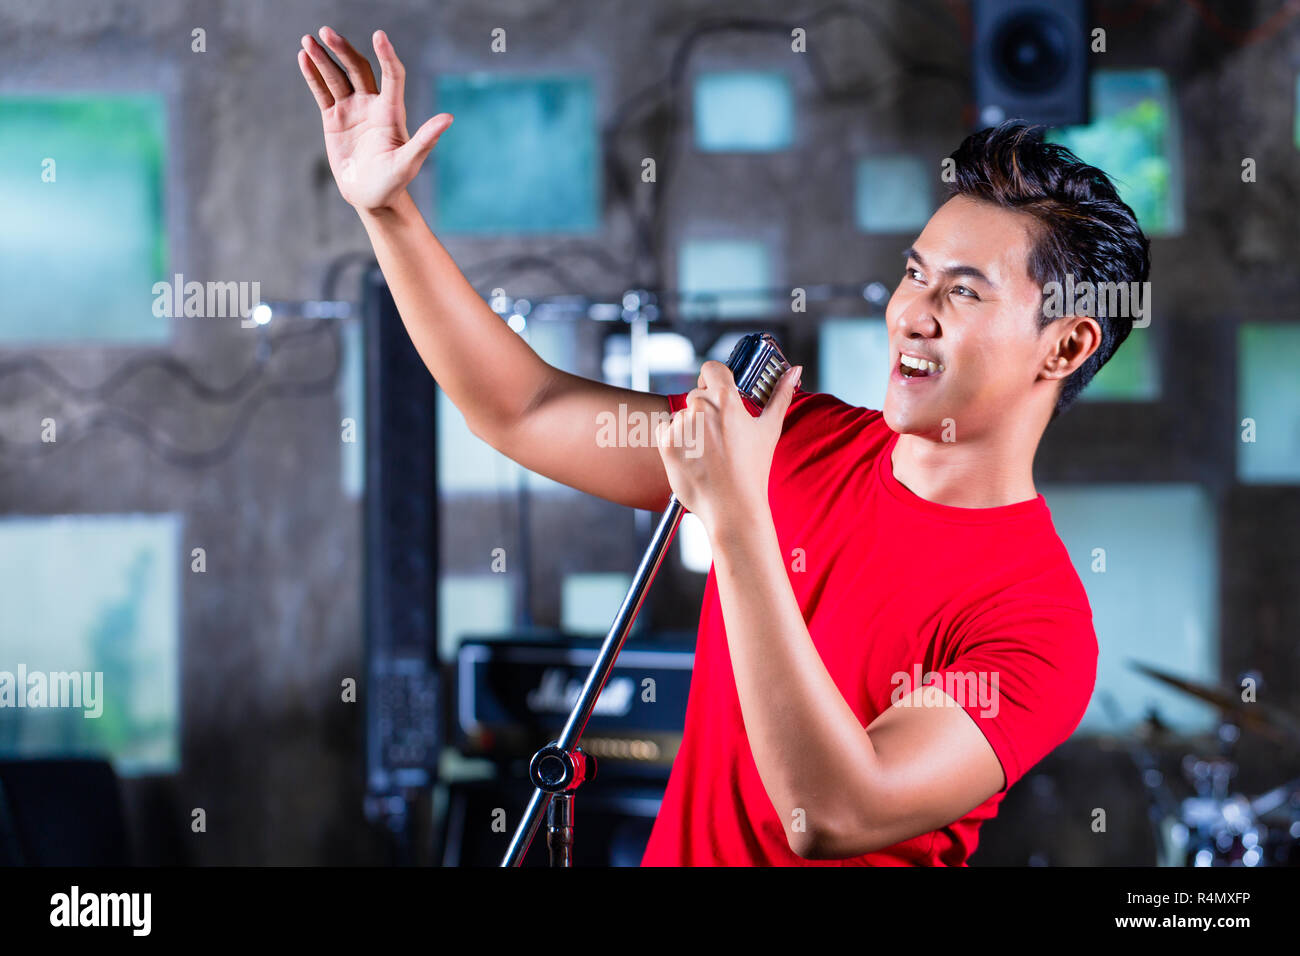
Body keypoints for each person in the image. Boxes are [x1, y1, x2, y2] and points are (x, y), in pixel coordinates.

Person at [297, 26, 1150, 865]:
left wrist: (735, 515)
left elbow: (832, 815)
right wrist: (389, 213)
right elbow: (523, 409)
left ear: (1066, 347)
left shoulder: (1038, 627)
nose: (909, 313)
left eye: (963, 293)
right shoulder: (794, 440)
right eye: (914, 272)